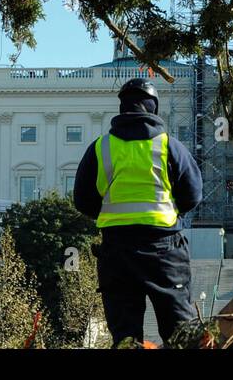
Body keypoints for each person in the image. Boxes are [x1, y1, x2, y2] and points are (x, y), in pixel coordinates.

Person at [73, 76, 202, 347]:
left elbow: (83, 201)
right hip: (164, 251)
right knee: (182, 335)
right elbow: (193, 195)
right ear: (153, 108)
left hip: (117, 252)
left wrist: (113, 216)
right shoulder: (170, 147)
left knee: (126, 338)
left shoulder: (101, 148)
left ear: (122, 108)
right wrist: (170, 212)